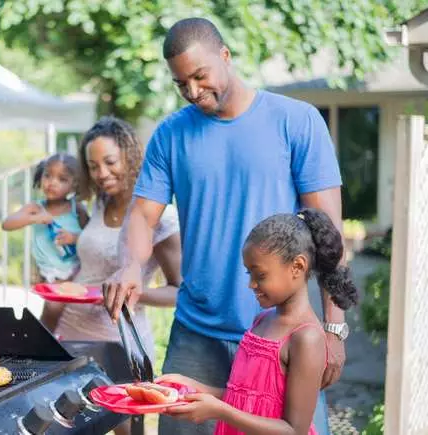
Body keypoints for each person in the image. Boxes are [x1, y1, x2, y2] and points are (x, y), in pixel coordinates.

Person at [103, 18, 346, 435]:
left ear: (226, 57)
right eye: (182, 84)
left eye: (200, 76)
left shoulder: (298, 121)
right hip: (197, 334)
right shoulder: (170, 135)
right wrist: (129, 265)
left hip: (284, 336)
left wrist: (334, 326)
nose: (194, 92)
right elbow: (143, 215)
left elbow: (328, 233)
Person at [158, 208, 358, 434]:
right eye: (249, 274)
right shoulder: (262, 321)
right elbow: (243, 398)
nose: (251, 284)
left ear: (297, 267)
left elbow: (294, 430)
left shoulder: (306, 338)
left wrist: (220, 411)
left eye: (260, 275)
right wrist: (191, 386)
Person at [54, 116, 182, 435]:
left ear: (130, 156)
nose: (102, 174)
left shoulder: (159, 216)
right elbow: (89, 266)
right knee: (68, 426)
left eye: (110, 162)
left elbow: (179, 291)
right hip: (71, 333)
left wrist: (128, 292)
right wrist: (61, 286)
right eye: (93, 166)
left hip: (118, 341)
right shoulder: (99, 203)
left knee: (125, 431)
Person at [2, 153, 88, 329]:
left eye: (62, 179)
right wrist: (35, 218)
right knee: (52, 309)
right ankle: (46, 340)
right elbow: (7, 224)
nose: (52, 182)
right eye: (47, 175)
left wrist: (74, 238)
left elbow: (91, 237)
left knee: (54, 310)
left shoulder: (76, 209)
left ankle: (45, 340)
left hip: (74, 271)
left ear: (74, 184)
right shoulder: (35, 207)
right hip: (49, 274)